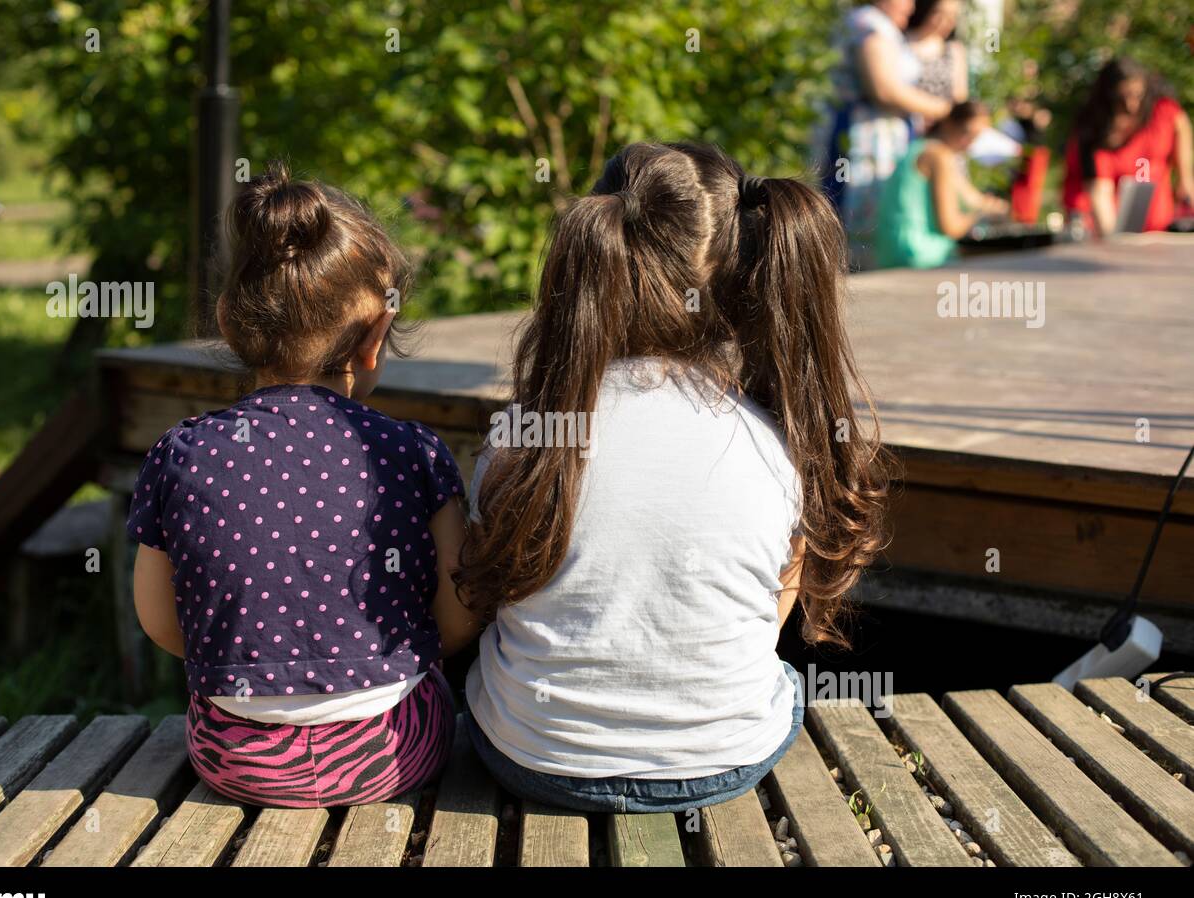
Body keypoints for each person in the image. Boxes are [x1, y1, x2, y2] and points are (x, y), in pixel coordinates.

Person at [457, 143, 892, 813]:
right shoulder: (778, 444)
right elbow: (768, 618)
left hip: (535, 759)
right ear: (740, 273)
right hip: (722, 761)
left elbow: (487, 592)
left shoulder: (527, 437)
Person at [127, 162, 480, 808]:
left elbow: (159, 620)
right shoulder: (412, 452)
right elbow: (458, 617)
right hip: (392, 751)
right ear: (374, 339)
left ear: (229, 321)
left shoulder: (181, 454)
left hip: (235, 758)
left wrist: (245, 662)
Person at [819, 0, 952, 268]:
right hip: (865, 140)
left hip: (881, 137)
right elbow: (884, 90)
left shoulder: (880, 27)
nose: (912, 6)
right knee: (854, 213)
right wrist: (943, 109)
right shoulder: (869, 25)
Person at [1063, 57, 1194, 235]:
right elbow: (1100, 194)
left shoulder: (1160, 111)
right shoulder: (1093, 135)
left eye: (1137, 95)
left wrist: (1185, 177)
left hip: (1162, 227)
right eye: (1122, 98)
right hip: (1118, 230)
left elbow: (1181, 124)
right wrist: (1115, 241)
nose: (1132, 106)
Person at [876, 101, 1009, 269]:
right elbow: (951, 226)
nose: (969, 143)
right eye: (967, 133)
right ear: (948, 123)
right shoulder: (938, 156)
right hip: (918, 256)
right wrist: (980, 214)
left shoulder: (924, 147)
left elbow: (973, 199)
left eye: (976, 137)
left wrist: (991, 207)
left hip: (897, 253)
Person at [906, 0, 968, 106]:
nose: (947, 22)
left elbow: (959, 96)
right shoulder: (900, 42)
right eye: (940, 14)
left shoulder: (953, 49)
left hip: (941, 119)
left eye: (953, 16)